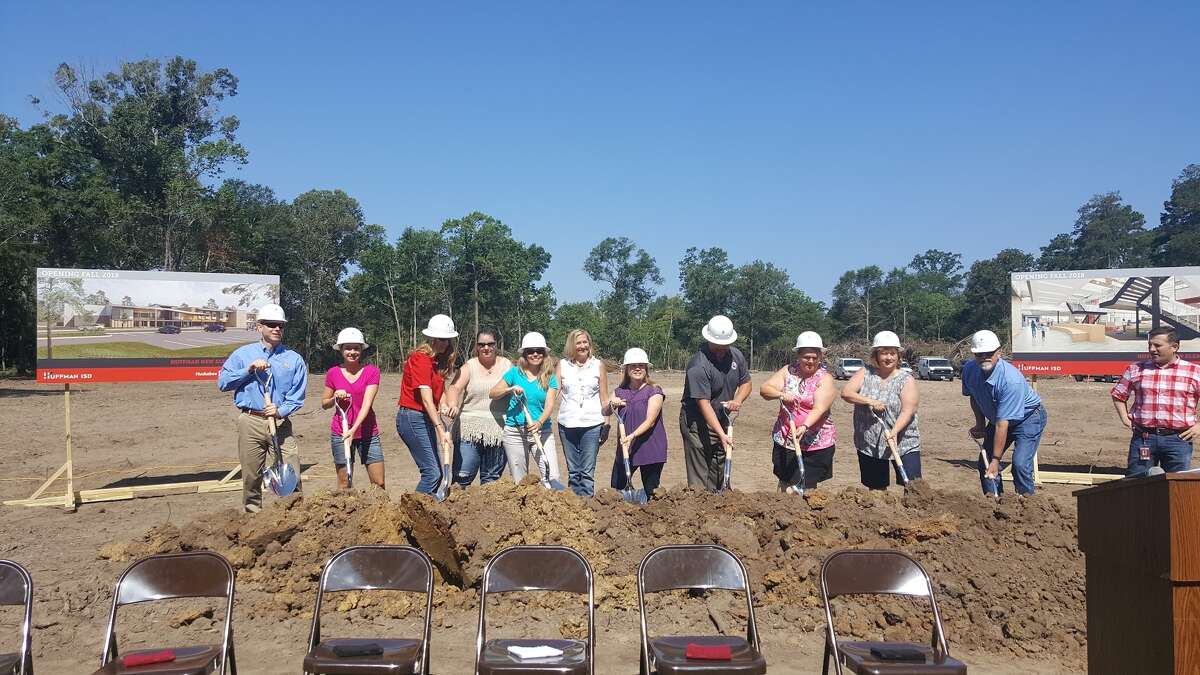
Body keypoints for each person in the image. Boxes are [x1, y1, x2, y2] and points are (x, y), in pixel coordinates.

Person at [217, 303, 306, 513]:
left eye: (280, 325)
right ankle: (253, 515)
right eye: (271, 324)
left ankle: (296, 516)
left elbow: (297, 396)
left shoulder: (293, 359)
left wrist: (280, 410)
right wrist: (248, 370)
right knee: (252, 475)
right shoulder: (242, 355)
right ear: (259, 327)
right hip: (250, 421)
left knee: (290, 471)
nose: (276, 329)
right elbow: (223, 383)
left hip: (281, 423)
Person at [962, 329, 1047, 496]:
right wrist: (980, 424)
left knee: (1020, 464)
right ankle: (994, 501)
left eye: (989, 353)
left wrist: (996, 460)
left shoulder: (1010, 380)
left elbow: (1003, 424)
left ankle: (1027, 505)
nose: (984, 357)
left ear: (999, 353)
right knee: (984, 463)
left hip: (1028, 418)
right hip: (998, 419)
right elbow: (974, 396)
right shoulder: (969, 371)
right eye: (979, 354)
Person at [1111, 327, 1200, 475]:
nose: (1152, 349)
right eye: (1150, 345)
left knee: (1176, 488)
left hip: (1178, 440)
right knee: (1137, 485)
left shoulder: (1194, 372)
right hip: (1143, 438)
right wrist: (1124, 418)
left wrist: (1198, 426)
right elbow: (1118, 394)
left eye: (1157, 345)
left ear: (1175, 347)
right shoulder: (1136, 369)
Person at [841, 331, 921, 489]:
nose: (889, 358)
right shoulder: (865, 373)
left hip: (903, 441)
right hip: (870, 443)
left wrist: (894, 431)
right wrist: (869, 401)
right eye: (884, 353)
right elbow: (846, 393)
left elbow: (908, 410)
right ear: (876, 355)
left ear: (898, 356)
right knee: (876, 489)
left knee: (913, 486)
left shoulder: (906, 379)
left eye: (892, 353)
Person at [680, 315, 752, 491]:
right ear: (708, 340)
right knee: (700, 473)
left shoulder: (736, 356)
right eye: (716, 347)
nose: (721, 351)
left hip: (722, 419)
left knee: (719, 467)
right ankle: (698, 507)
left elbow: (746, 383)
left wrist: (738, 399)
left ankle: (717, 505)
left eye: (724, 347)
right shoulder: (698, 365)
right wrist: (721, 434)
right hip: (697, 423)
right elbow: (703, 404)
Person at [760, 331, 837, 491]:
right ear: (798, 355)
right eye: (806, 357)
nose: (810, 361)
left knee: (806, 486)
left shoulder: (825, 378)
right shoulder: (788, 371)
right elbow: (765, 390)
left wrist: (805, 426)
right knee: (785, 481)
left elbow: (820, 408)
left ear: (820, 357)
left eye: (815, 357)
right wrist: (781, 394)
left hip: (815, 443)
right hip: (786, 439)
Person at [490, 332, 563, 488]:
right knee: (520, 481)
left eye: (539, 351)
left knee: (553, 477)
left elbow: (550, 404)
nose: (535, 354)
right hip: (515, 432)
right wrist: (510, 389)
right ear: (524, 354)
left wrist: (539, 422)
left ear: (544, 354)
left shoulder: (550, 377)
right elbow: (493, 393)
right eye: (530, 351)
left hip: (542, 431)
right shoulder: (514, 373)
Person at [396, 314, 458, 495]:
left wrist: (446, 405)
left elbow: (440, 392)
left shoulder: (436, 362)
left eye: (448, 339)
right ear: (431, 338)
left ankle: (423, 510)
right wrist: (440, 431)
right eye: (441, 339)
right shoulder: (420, 359)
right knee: (432, 473)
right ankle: (413, 513)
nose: (445, 343)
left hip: (424, 418)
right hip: (412, 418)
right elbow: (426, 399)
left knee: (435, 473)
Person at [443, 327, 511, 486]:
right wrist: (452, 404)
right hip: (469, 430)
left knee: (491, 481)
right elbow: (454, 388)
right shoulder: (469, 366)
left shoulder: (507, 366)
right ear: (476, 346)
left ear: (496, 345)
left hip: (497, 432)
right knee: (462, 478)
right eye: (481, 344)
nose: (486, 348)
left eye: (490, 344)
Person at [321, 327, 384, 489]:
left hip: (367, 432)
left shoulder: (372, 372)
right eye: (348, 348)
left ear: (361, 350)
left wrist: (353, 429)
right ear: (341, 350)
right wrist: (335, 397)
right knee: (344, 483)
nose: (352, 352)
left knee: (379, 483)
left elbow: (366, 405)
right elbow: (324, 403)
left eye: (356, 348)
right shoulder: (333, 373)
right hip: (340, 432)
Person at [606, 348, 667, 498]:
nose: (637, 368)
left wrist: (632, 436)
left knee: (651, 489)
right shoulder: (619, 392)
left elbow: (650, 422)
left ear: (646, 369)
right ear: (626, 369)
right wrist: (610, 404)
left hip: (650, 447)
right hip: (626, 447)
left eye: (641, 365)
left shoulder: (654, 391)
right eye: (633, 366)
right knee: (617, 487)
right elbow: (604, 411)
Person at [556, 329, 610, 496]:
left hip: (592, 424)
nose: (582, 346)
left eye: (584, 342)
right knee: (573, 471)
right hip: (567, 423)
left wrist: (607, 421)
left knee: (586, 471)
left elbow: (604, 396)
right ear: (572, 345)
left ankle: (587, 506)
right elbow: (554, 392)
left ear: (589, 344)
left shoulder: (598, 365)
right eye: (578, 343)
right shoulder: (562, 365)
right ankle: (574, 508)